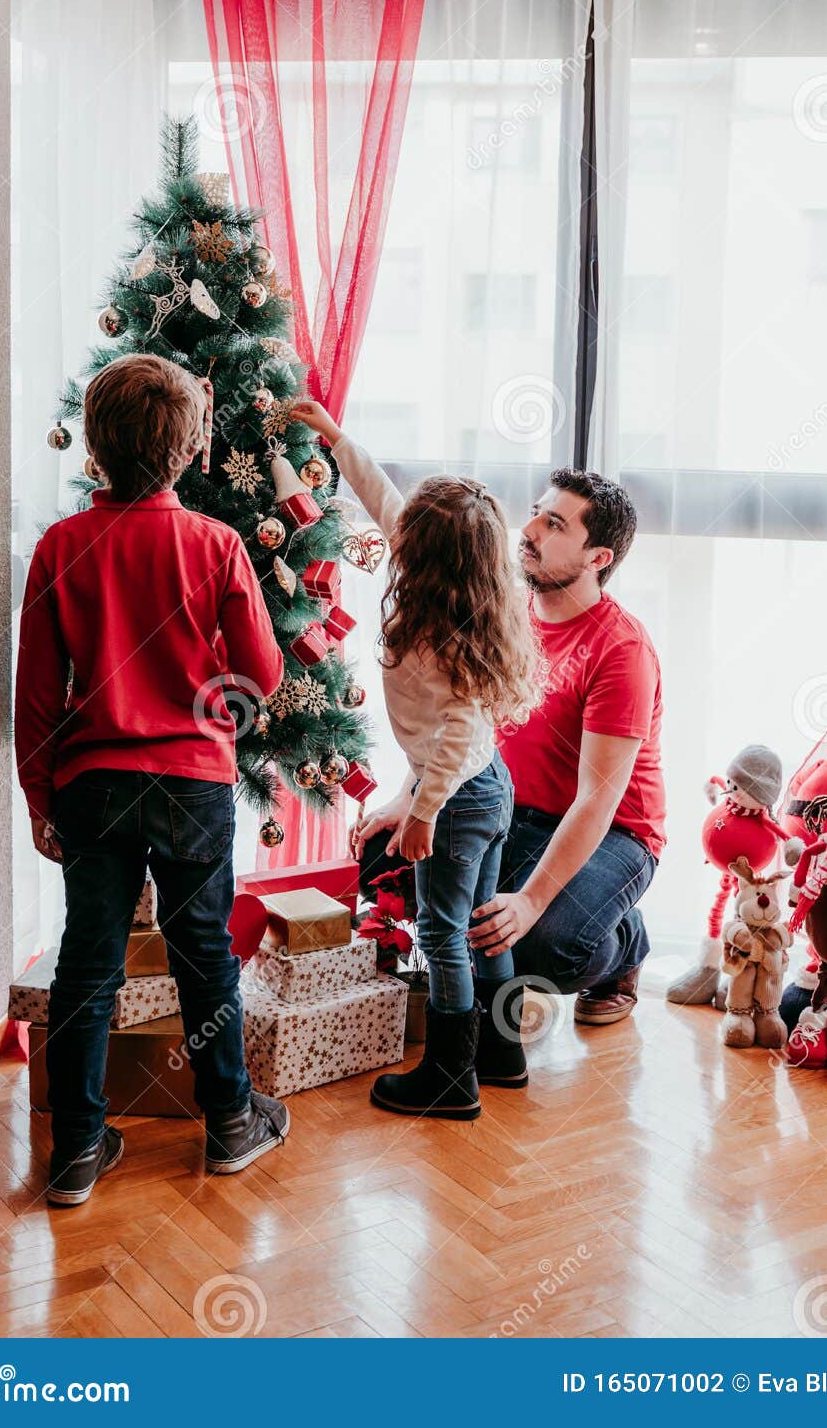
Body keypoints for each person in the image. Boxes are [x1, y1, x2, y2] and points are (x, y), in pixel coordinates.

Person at [15, 354, 287, 1205]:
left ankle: (77, 1152)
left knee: (86, 965)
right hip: (191, 785)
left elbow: (34, 694)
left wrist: (39, 796)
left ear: (95, 448)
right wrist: (203, 693)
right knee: (203, 952)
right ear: (190, 446)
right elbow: (263, 675)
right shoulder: (216, 544)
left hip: (92, 784)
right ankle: (231, 1123)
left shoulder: (61, 546)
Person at [289, 398, 539, 1121]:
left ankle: (449, 1079)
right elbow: (383, 497)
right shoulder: (459, 588)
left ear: (422, 554)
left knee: (442, 934)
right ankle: (502, 1055)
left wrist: (423, 811)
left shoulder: (445, 631)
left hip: (457, 797)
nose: (396, 536)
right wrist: (336, 439)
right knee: (481, 922)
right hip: (486, 787)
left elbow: (458, 736)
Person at [469, 468, 665, 1083]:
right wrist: (408, 798)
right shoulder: (508, 611)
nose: (527, 531)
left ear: (597, 556)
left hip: (613, 833)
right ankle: (577, 906)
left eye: (554, 524)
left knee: (543, 946)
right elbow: (461, 722)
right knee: (397, 867)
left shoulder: (622, 650)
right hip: (515, 811)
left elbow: (597, 801)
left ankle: (623, 947)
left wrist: (531, 900)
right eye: (535, 513)